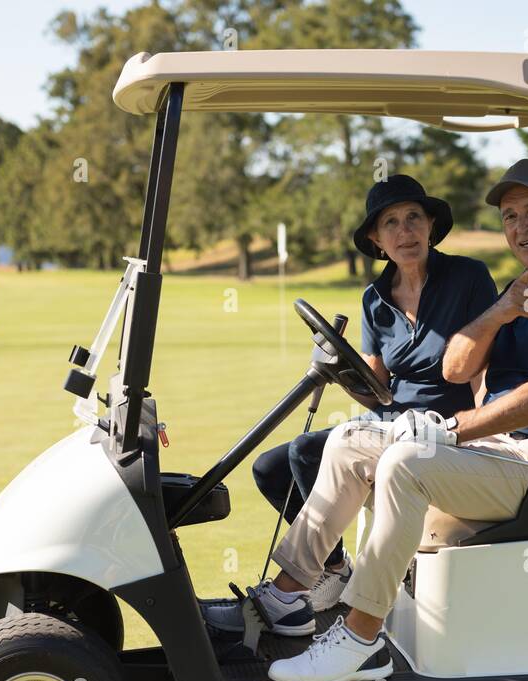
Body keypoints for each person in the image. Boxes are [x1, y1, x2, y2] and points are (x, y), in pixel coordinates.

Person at [227, 159, 528, 681]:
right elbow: (456, 368)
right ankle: (290, 593)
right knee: (350, 441)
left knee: (407, 463)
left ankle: (360, 639)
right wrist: (502, 310)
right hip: (506, 453)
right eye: (511, 216)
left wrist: (450, 432)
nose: (521, 227)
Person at [204, 174, 497, 632]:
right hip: (388, 420)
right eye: (392, 223)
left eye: (413, 218)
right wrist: (338, 366)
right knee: (272, 466)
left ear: (430, 225)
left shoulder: (467, 277)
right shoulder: (374, 300)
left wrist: (484, 429)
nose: (405, 232)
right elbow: (376, 385)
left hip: (441, 425)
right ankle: (334, 568)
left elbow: (483, 361)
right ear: (378, 240)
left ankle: (303, 582)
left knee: (307, 452)